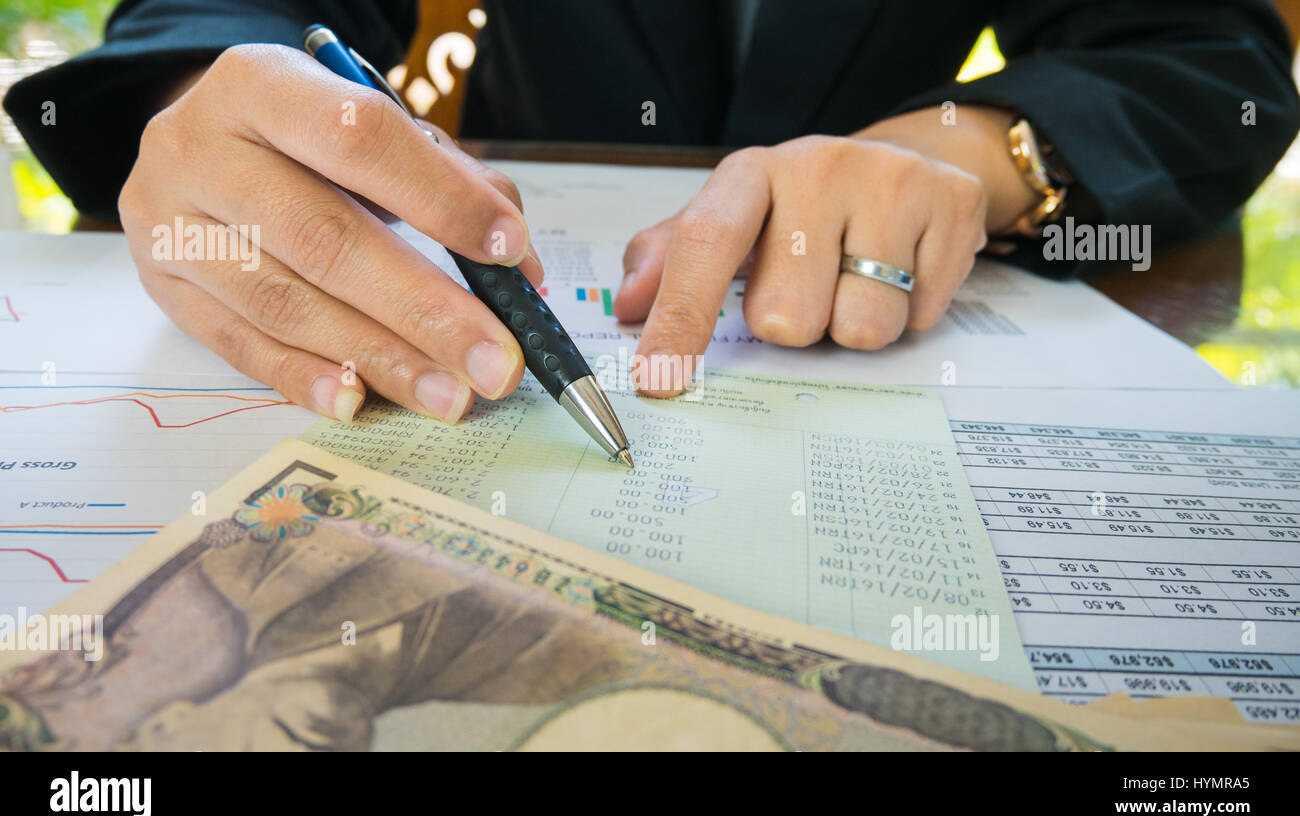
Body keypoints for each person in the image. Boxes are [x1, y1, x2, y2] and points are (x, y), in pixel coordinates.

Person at [6, 0, 1298, 423]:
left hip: (905, 272)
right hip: (505, 214)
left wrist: (978, 143)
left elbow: (1207, 51)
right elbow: (220, 11)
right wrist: (204, 94)